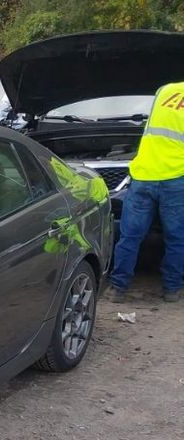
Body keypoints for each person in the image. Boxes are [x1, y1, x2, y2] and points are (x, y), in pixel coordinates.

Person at [110, 82, 184, 303]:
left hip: (143, 176)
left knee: (130, 237)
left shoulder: (166, 90)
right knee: (176, 238)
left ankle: (118, 289)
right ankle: (171, 290)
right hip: (175, 178)